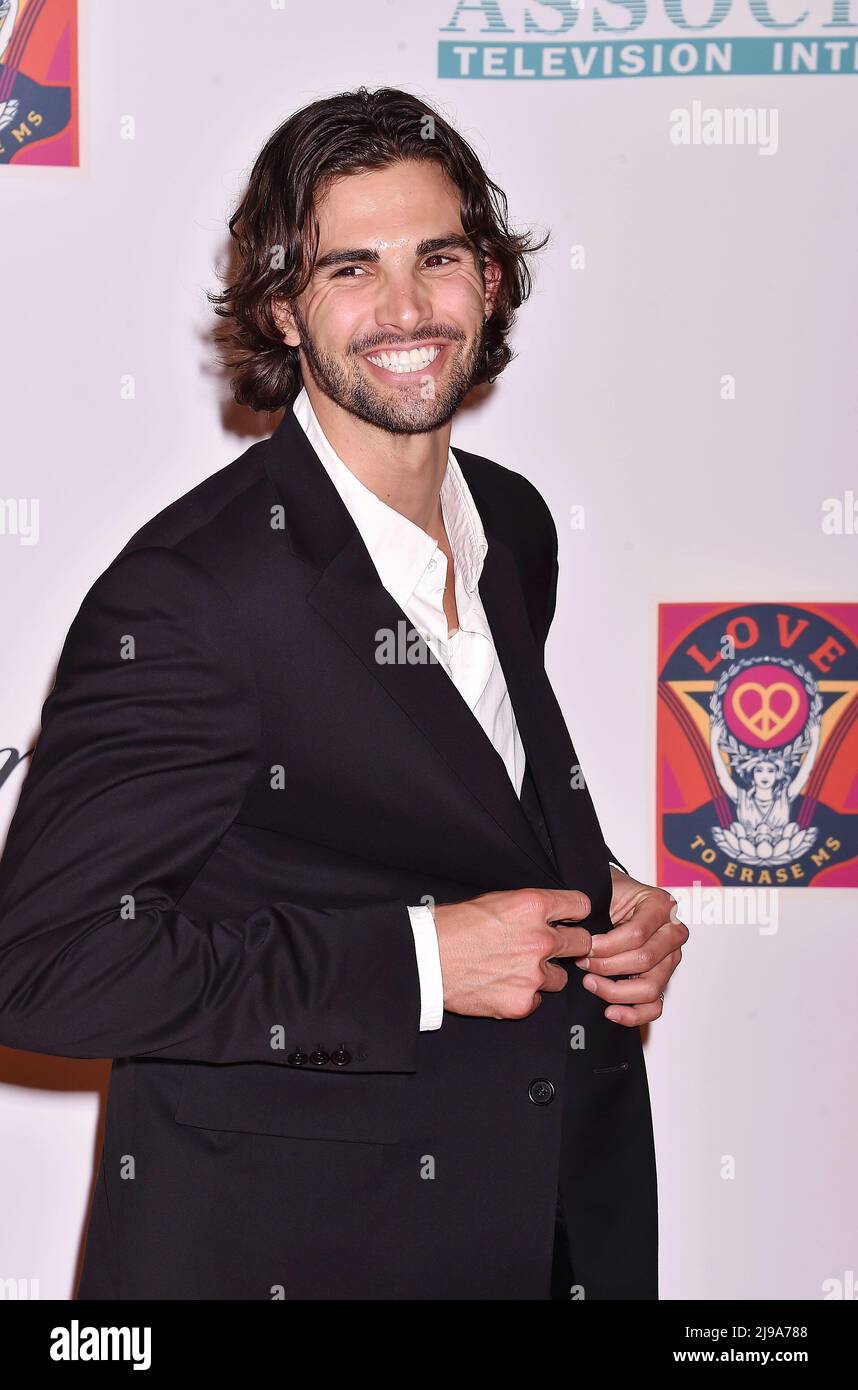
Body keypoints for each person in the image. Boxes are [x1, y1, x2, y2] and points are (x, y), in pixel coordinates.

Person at [0, 85, 687, 1301]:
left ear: (492, 279)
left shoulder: (515, 524)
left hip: (551, 1223)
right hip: (300, 1253)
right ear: (281, 306)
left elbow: (421, 807)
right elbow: (45, 963)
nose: (407, 309)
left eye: (439, 257)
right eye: (351, 270)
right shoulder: (192, 593)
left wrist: (604, 907)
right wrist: (419, 960)